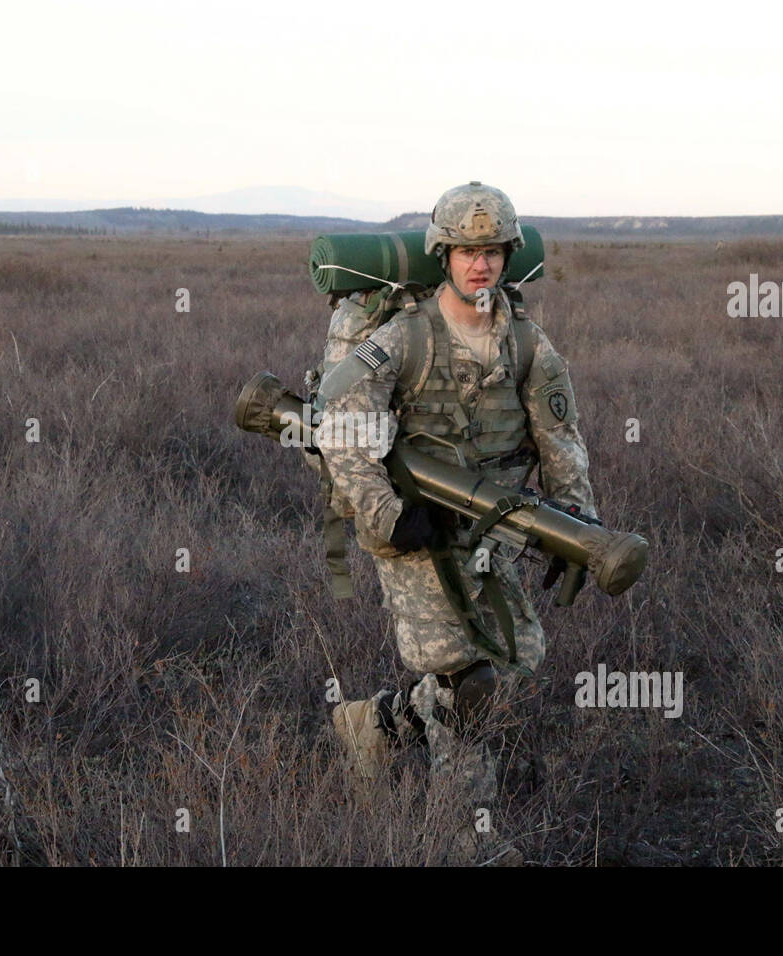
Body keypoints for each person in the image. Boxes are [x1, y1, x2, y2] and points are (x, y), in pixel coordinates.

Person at [315, 181, 597, 861]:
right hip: (414, 528)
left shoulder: (527, 342)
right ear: (444, 254)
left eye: (493, 251)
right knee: (467, 683)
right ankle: (462, 842)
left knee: (518, 659)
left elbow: (561, 439)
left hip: (493, 526)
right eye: (468, 250)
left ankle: (376, 723)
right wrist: (386, 516)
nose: (481, 264)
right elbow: (343, 429)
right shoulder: (404, 337)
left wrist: (577, 528)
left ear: (507, 255)